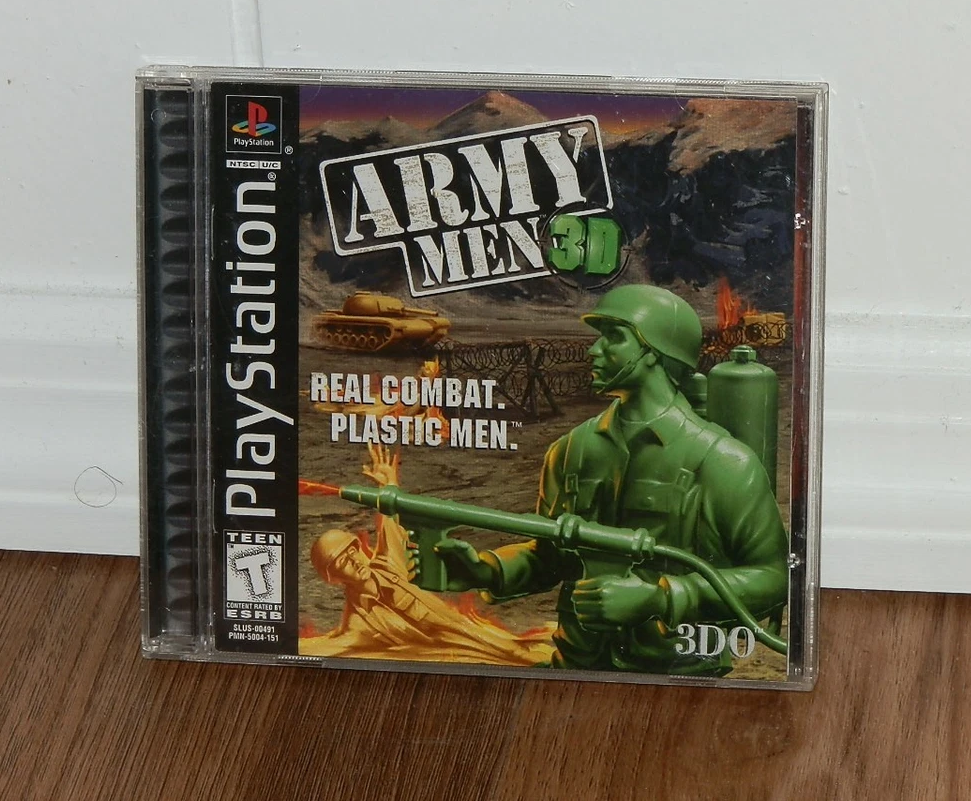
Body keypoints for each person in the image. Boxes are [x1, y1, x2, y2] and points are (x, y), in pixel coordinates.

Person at [433, 284, 789, 675]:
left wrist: (662, 599)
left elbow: (773, 579)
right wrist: (487, 570)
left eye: (614, 337)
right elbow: (551, 556)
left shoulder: (722, 461)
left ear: (655, 351)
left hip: (681, 677)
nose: (594, 350)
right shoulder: (572, 449)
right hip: (575, 668)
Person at [301, 446, 552, 667]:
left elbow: (389, 524)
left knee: (533, 652)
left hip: (473, 634)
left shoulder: (388, 566)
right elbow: (337, 645)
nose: (355, 561)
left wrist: (388, 484)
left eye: (352, 551)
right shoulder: (361, 620)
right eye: (343, 562)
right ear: (333, 578)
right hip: (459, 655)